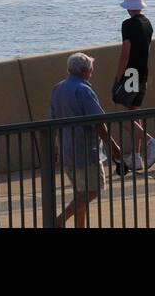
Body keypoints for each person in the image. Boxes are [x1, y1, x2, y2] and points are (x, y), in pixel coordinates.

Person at [50, 52, 122, 227]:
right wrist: (114, 147)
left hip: (68, 151)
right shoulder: (84, 90)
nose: (91, 73)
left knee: (80, 194)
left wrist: (55, 148)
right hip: (86, 151)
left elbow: (52, 122)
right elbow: (98, 123)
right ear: (83, 70)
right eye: (90, 70)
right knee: (93, 190)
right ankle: (58, 221)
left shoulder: (58, 89)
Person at [112, 0, 155, 169]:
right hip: (143, 72)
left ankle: (151, 142)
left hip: (131, 73)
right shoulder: (147, 23)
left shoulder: (128, 24)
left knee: (120, 111)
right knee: (134, 113)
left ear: (128, 7)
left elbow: (125, 53)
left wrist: (118, 77)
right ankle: (136, 157)